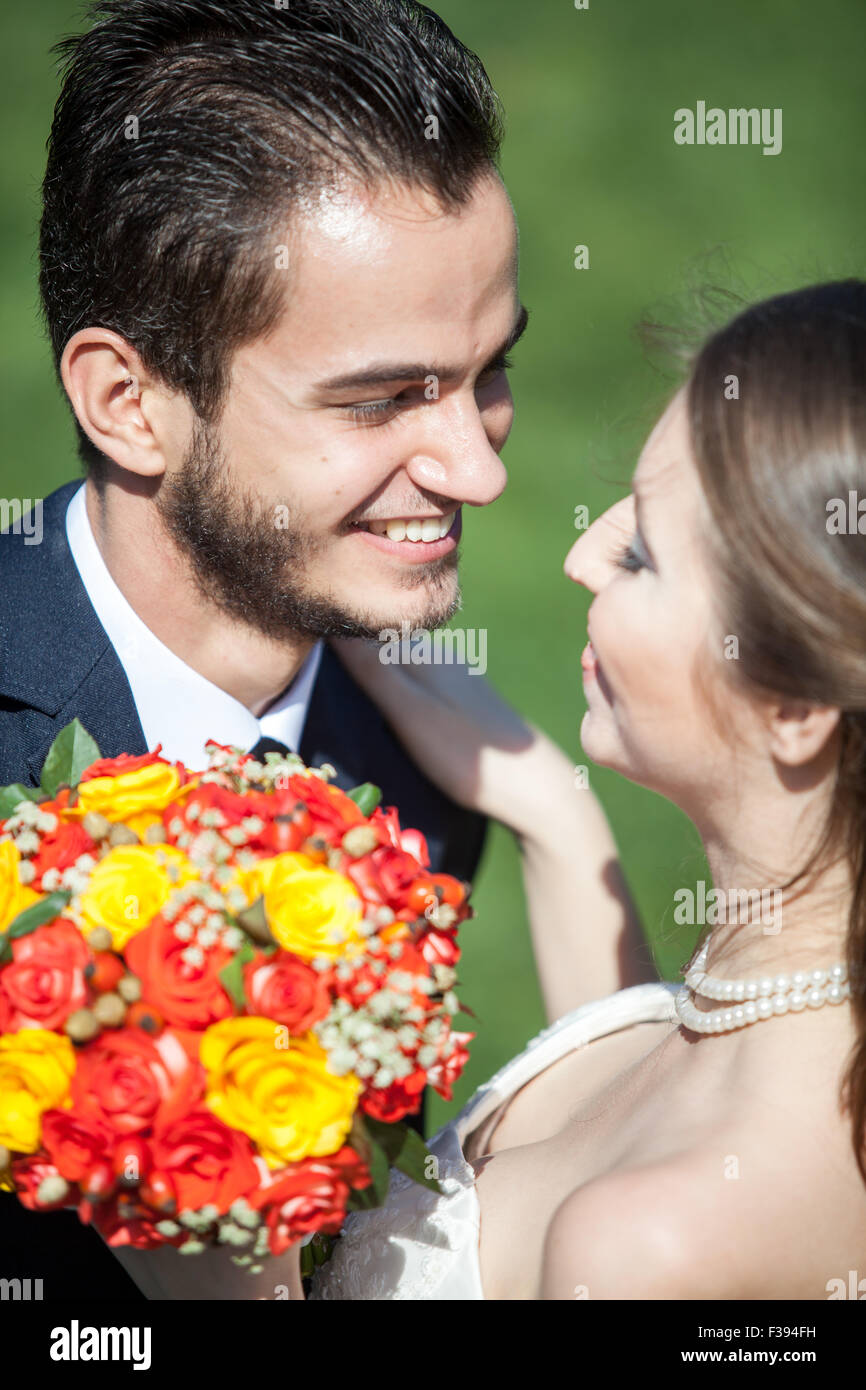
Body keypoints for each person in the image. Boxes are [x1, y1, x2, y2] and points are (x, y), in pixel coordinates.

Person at [0, 0, 516, 1298]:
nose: (476, 470)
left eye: (487, 373)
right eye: (381, 399)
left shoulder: (424, 771)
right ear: (129, 402)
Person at [310, 280, 866, 1299]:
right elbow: (632, 1067)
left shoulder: (648, 1249)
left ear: (795, 705)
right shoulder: (774, 1033)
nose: (580, 560)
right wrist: (548, 808)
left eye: (642, 555)